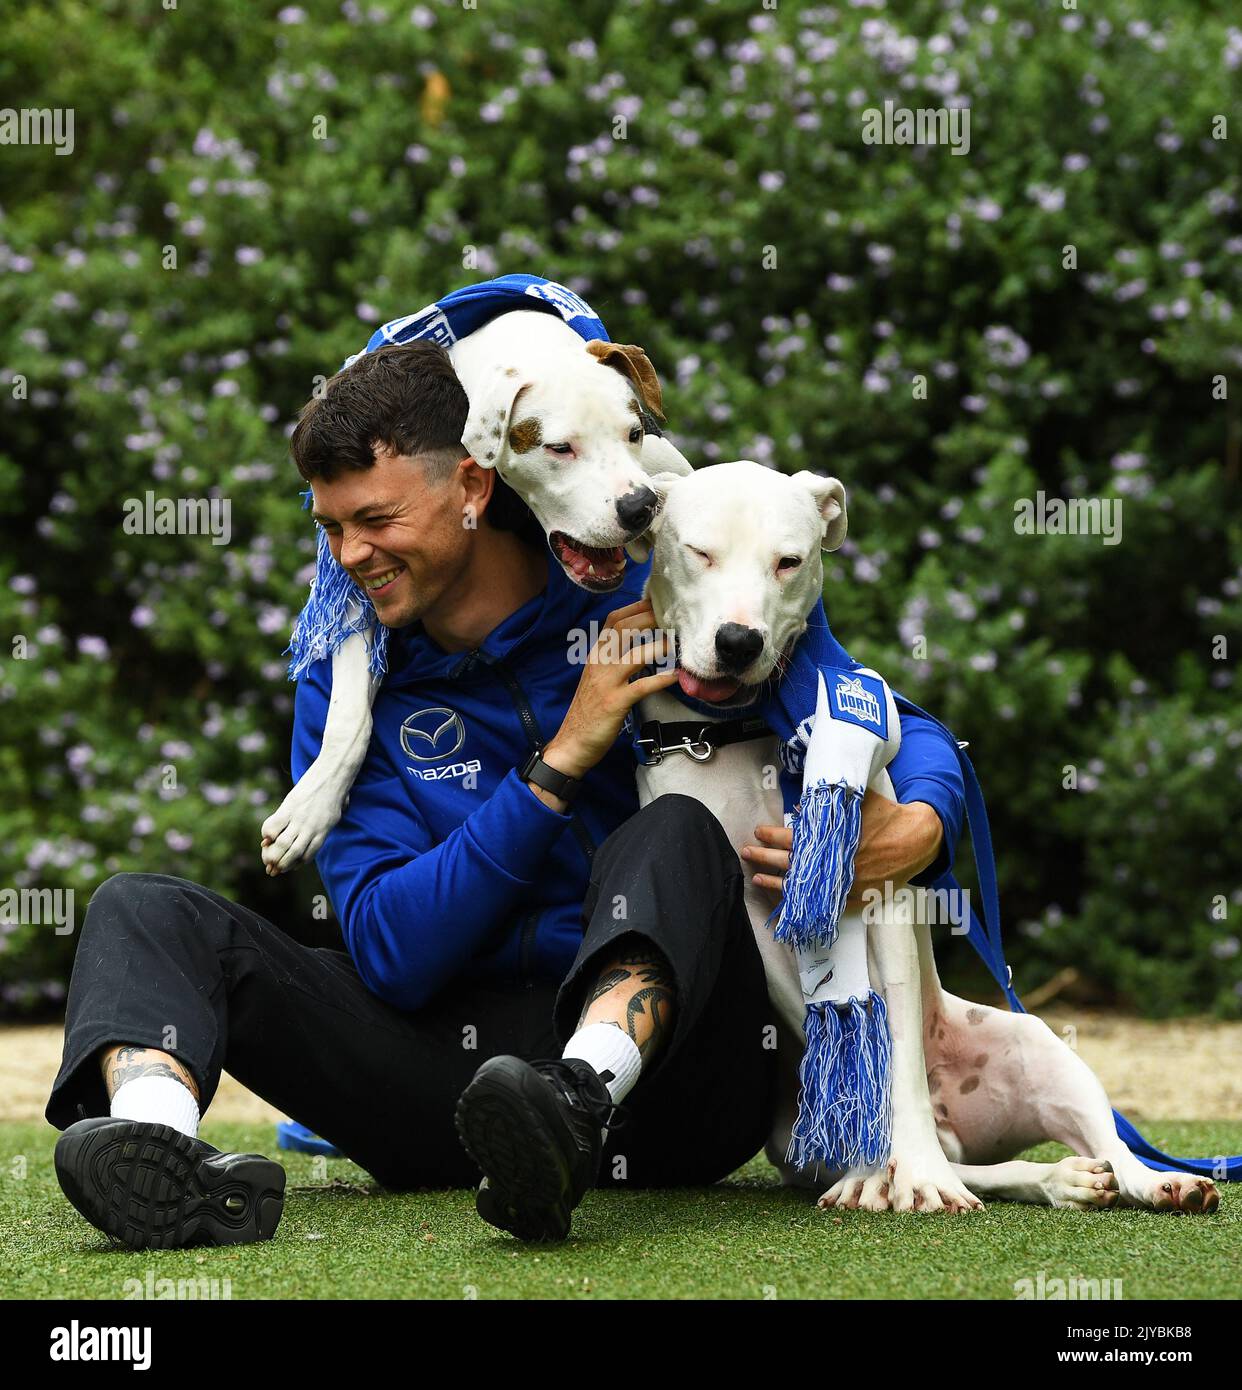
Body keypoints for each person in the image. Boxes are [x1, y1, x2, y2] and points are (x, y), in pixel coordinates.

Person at [47, 340, 963, 1247]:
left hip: (671, 1090)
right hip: (447, 1096)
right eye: (331, 528)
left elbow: (868, 697)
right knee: (141, 906)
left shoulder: (634, 587)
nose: (347, 557)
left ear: (476, 487)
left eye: (376, 519)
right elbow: (392, 952)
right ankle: (160, 1153)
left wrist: (922, 819)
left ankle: (575, 1100)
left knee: (676, 829)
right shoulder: (347, 681)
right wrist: (561, 763)